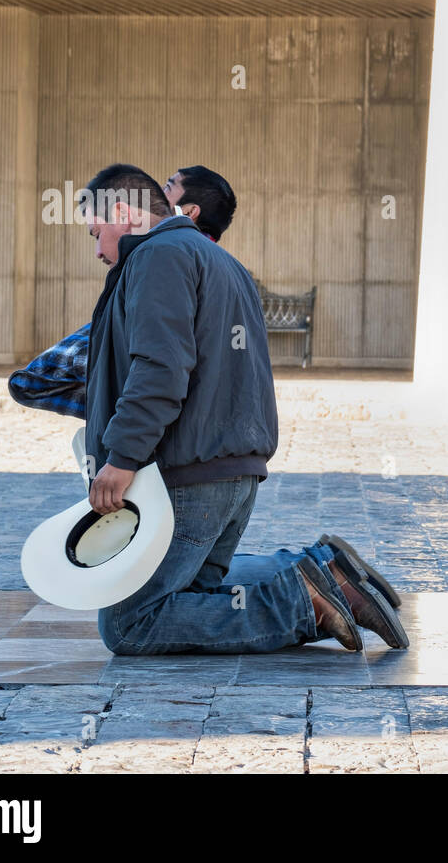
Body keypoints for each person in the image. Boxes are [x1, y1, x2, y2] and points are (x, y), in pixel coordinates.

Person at [75, 163, 407, 655]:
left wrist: (121, 459)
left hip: (190, 478)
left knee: (129, 623)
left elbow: (161, 369)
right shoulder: (219, 261)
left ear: (122, 213)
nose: (98, 248)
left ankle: (302, 599)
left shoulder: (157, 257)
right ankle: (321, 569)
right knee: (195, 592)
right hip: (233, 472)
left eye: (96, 231)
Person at [8, 164, 241, 419]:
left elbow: (38, 380)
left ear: (188, 212)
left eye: (166, 188)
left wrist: (120, 448)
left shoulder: (162, 260)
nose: (152, 198)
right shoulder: (226, 268)